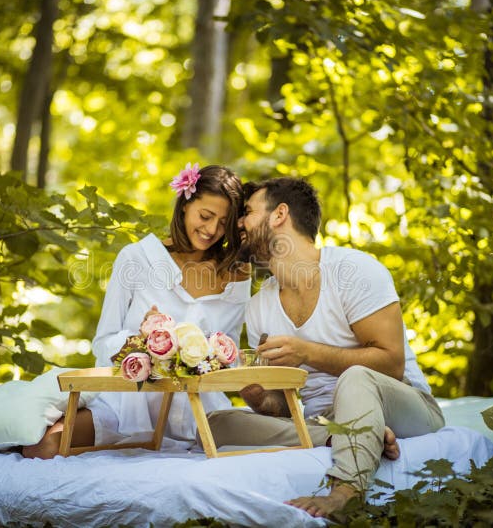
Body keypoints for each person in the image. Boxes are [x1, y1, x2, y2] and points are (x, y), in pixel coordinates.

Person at [207, 177, 444, 517]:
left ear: (279, 214)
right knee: (217, 425)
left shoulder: (354, 271)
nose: (239, 223)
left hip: (404, 403)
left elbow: (392, 364)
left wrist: (307, 352)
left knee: (356, 377)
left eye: (246, 212)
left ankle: (345, 491)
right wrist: (257, 393)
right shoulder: (260, 307)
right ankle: (341, 437)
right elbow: (284, 409)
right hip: (323, 420)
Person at [22, 164, 250, 458]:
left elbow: (229, 357)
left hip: (198, 412)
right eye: (205, 216)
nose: (211, 231)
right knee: (42, 446)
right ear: (184, 206)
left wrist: (211, 356)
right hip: (128, 406)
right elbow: (103, 343)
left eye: (223, 224)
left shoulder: (237, 276)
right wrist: (141, 342)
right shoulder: (137, 258)